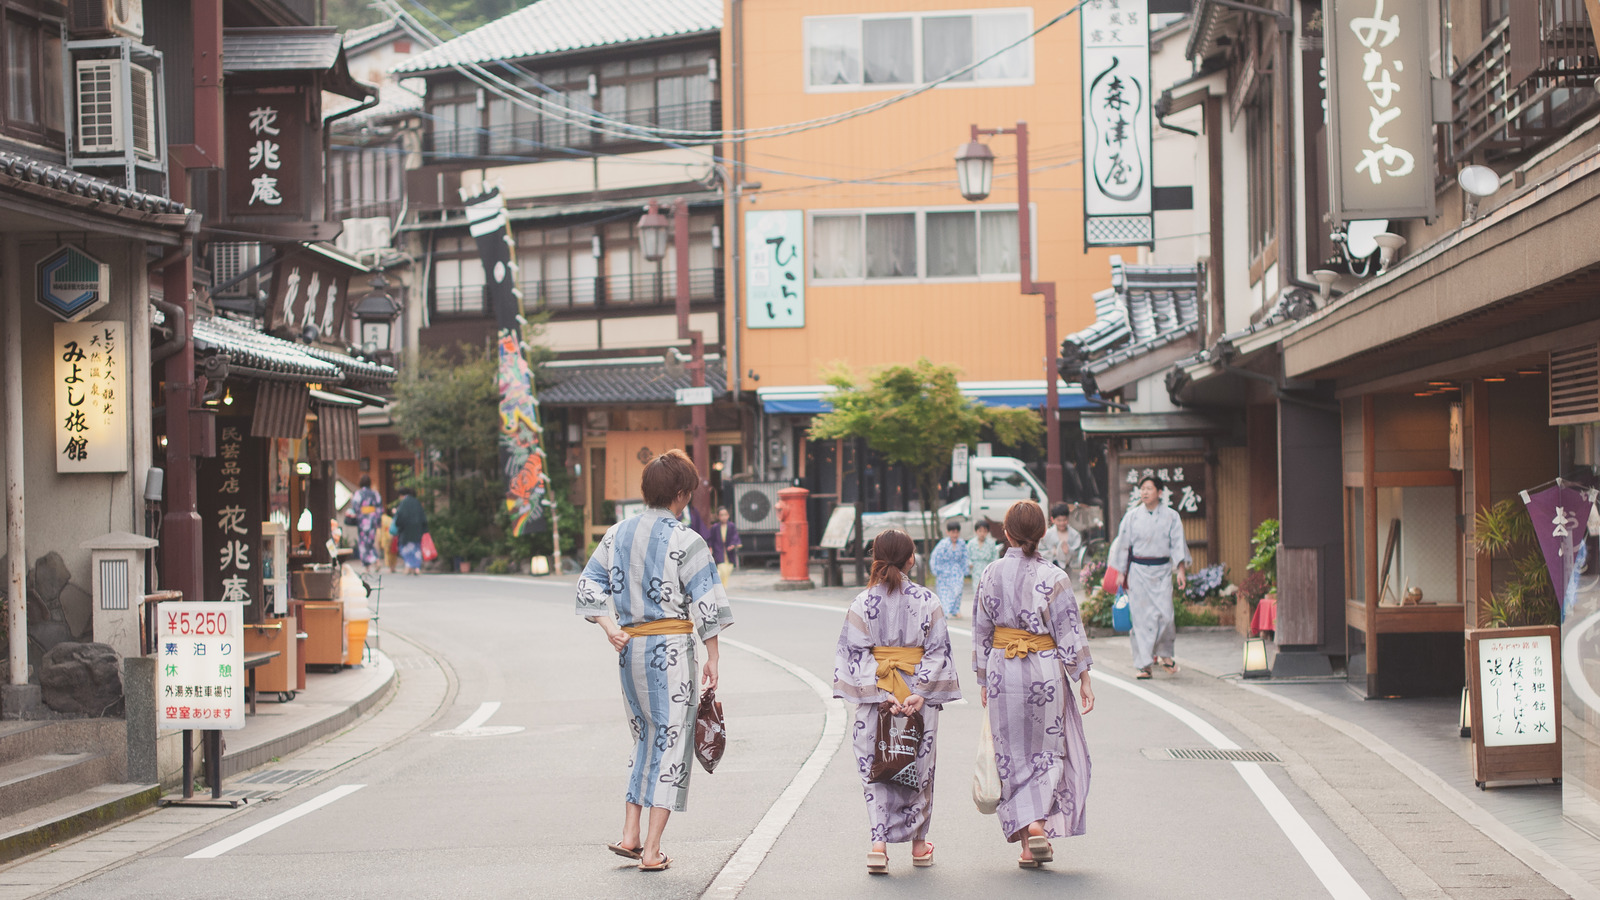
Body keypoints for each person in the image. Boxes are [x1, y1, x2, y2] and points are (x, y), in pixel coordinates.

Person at [576, 449, 734, 873]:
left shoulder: (616, 534)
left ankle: (629, 835)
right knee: (672, 742)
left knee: (644, 738)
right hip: (672, 653)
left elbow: (588, 584)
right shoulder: (687, 540)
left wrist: (609, 626)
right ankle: (651, 850)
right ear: (681, 495)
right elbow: (707, 604)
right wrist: (713, 656)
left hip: (630, 650)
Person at [972, 500, 1094, 868]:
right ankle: (1038, 824)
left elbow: (982, 630)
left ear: (1005, 534)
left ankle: (1028, 843)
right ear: (1043, 534)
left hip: (1002, 669)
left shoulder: (990, 573)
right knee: (1048, 753)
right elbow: (1070, 631)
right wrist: (1084, 678)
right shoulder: (1054, 577)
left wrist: (982, 676)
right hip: (1043, 671)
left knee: (1012, 757)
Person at [833, 528, 960, 874]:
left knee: (877, 767)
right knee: (919, 767)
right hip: (919, 697)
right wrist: (918, 691)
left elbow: (853, 655)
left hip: (875, 697)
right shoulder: (928, 601)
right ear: (910, 559)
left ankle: (878, 845)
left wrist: (883, 692)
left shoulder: (862, 603)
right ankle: (919, 846)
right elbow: (937, 652)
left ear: (876, 557)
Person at [1110, 475, 1190, 678]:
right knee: (1140, 619)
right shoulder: (1132, 516)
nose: (1144, 492)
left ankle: (1164, 654)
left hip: (1162, 570)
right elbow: (1123, 545)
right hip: (1138, 571)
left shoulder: (1172, 516)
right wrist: (1121, 572)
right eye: (1142, 488)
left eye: (1149, 488)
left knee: (1166, 615)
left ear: (1160, 492)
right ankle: (1144, 664)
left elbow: (1177, 543)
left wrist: (1180, 569)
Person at [928, 520, 970, 618]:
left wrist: (966, 569)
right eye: (952, 532)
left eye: (956, 532)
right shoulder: (943, 544)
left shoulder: (962, 543)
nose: (955, 535)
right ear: (948, 532)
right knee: (945, 592)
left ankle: (955, 610)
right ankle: (945, 611)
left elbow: (965, 557)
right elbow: (935, 557)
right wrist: (935, 570)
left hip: (957, 571)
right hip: (944, 572)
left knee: (958, 591)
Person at [344, 475, 384, 575]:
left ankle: (367, 566)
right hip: (372, 520)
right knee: (370, 541)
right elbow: (379, 508)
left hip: (363, 521)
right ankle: (376, 560)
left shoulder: (359, 494)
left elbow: (356, 507)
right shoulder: (375, 494)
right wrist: (378, 521)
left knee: (363, 543)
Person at [391, 487, 427, 576]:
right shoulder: (417, 502)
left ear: (401, 495)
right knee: (416, 549)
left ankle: (409, 566)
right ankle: (417, 568)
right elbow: (423, 517)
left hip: (406, 531)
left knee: (406, 549)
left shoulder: (403, 503)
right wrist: (424, 529)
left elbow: (399, 518)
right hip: (417, 529)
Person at [1039, 502, 1082, 571]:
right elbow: (1040, 550)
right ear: (1053, 519)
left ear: (1068, 519)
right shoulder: (1047, 534)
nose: (1062, 523)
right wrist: (1053, 552)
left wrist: (1068, 551)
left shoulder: (1074, 535)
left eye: (1064, 520)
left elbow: (1077, 552)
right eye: (1059, 520)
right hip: (1051, 569)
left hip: (1068, 569)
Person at [968, 519, 1000, 588]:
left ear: (987, 532)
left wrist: (993, 567)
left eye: (984, 531)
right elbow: (967, 555)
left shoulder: (991, 543)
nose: (982, 534)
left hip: (987, 568)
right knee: (976, 588)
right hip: (976, 568)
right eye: (980, 531)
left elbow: (995, 556)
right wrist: (970, 563)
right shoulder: (971, 543)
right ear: (976, 531)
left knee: (986, 587)